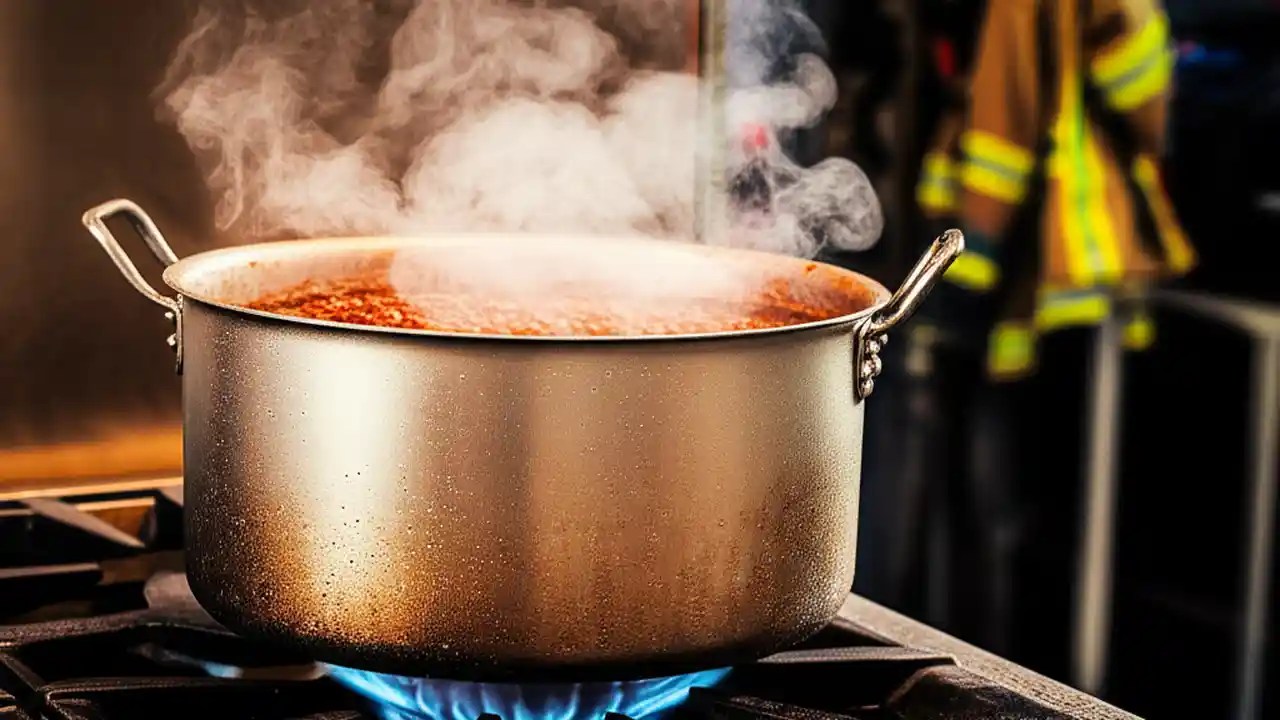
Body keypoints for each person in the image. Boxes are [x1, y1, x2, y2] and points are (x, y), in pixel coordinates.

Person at [906, 0, 1197, 675]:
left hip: (1042, 279)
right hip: (1008, 275)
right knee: (997, 509)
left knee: (1023, 512)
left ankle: (1023, 679)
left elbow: (1135, 109)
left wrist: (970, 265)